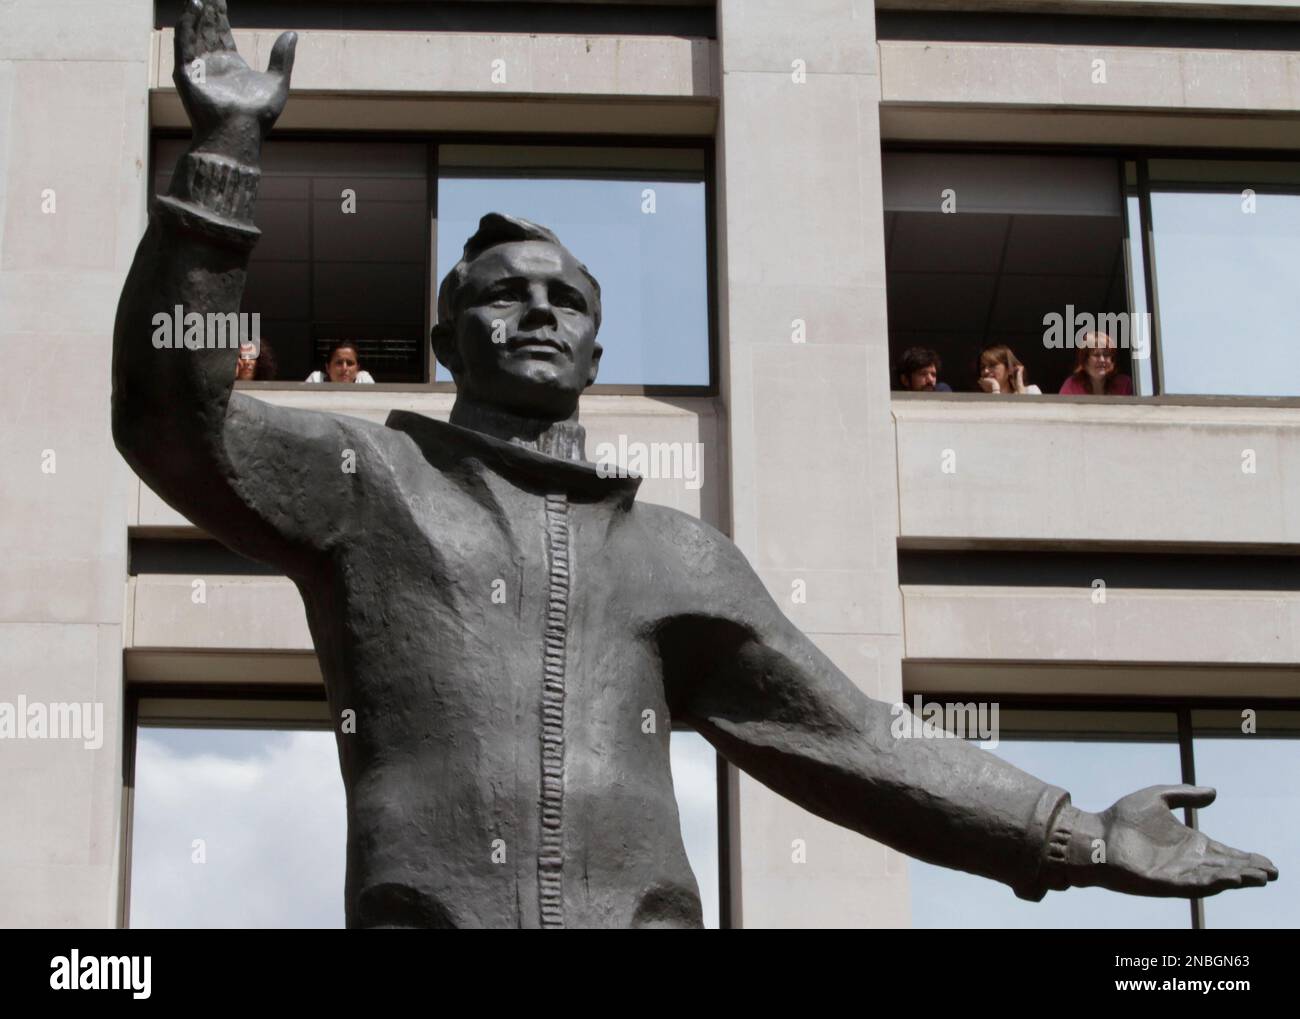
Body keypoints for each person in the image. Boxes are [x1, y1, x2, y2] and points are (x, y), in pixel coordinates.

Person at [112, 0, 1276, 928]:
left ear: (595, 349)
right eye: (502, 293)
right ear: (448, 333)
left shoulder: (675, 556)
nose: (536, 309)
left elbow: (855, 739)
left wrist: (1076, 833)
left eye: (563, 298)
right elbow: (173, 416)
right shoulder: (365, 484)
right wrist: (220, 163)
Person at [1060, 332, 1134, 395]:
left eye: (1106, 355)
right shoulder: (1071, 385)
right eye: (1096, 355)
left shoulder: (1124, 384)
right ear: (1084, 360)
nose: (1102, 360)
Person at [305, 341, 375, 383]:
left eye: (350, 363)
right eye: (339, 363)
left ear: (357, 368)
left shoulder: (363, 379)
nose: (344, 368)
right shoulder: (316, 379)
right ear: (328, 368)